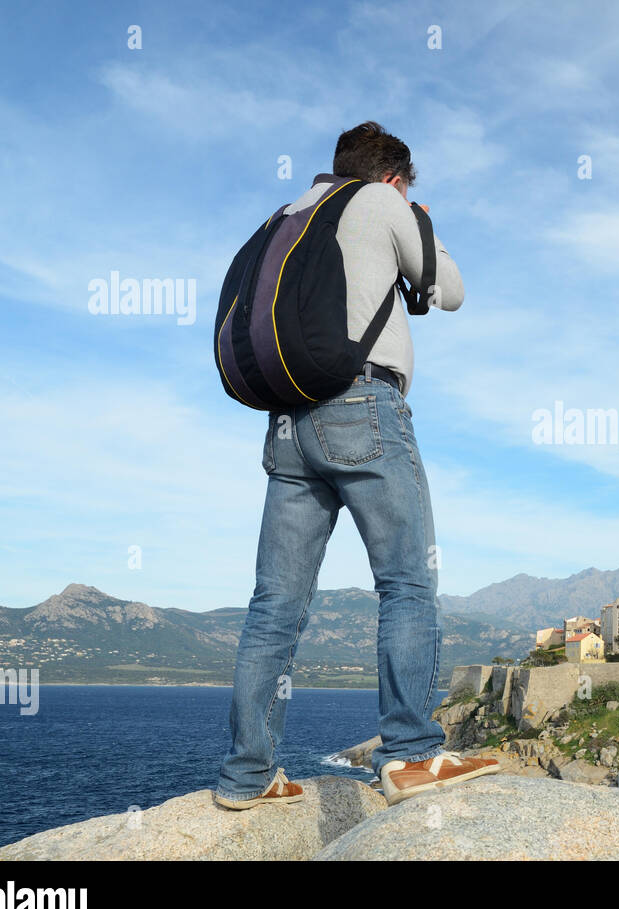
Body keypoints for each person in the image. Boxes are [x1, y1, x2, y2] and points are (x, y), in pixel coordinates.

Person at [214, 121, 499, 810]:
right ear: (394, 178)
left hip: (287, 423)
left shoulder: (289, 214)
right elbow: (451, 289)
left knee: (274, 607)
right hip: (362, 408)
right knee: (406, 582)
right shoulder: (381, 202)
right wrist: (425, 229)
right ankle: (411, 754)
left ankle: (247, 774)